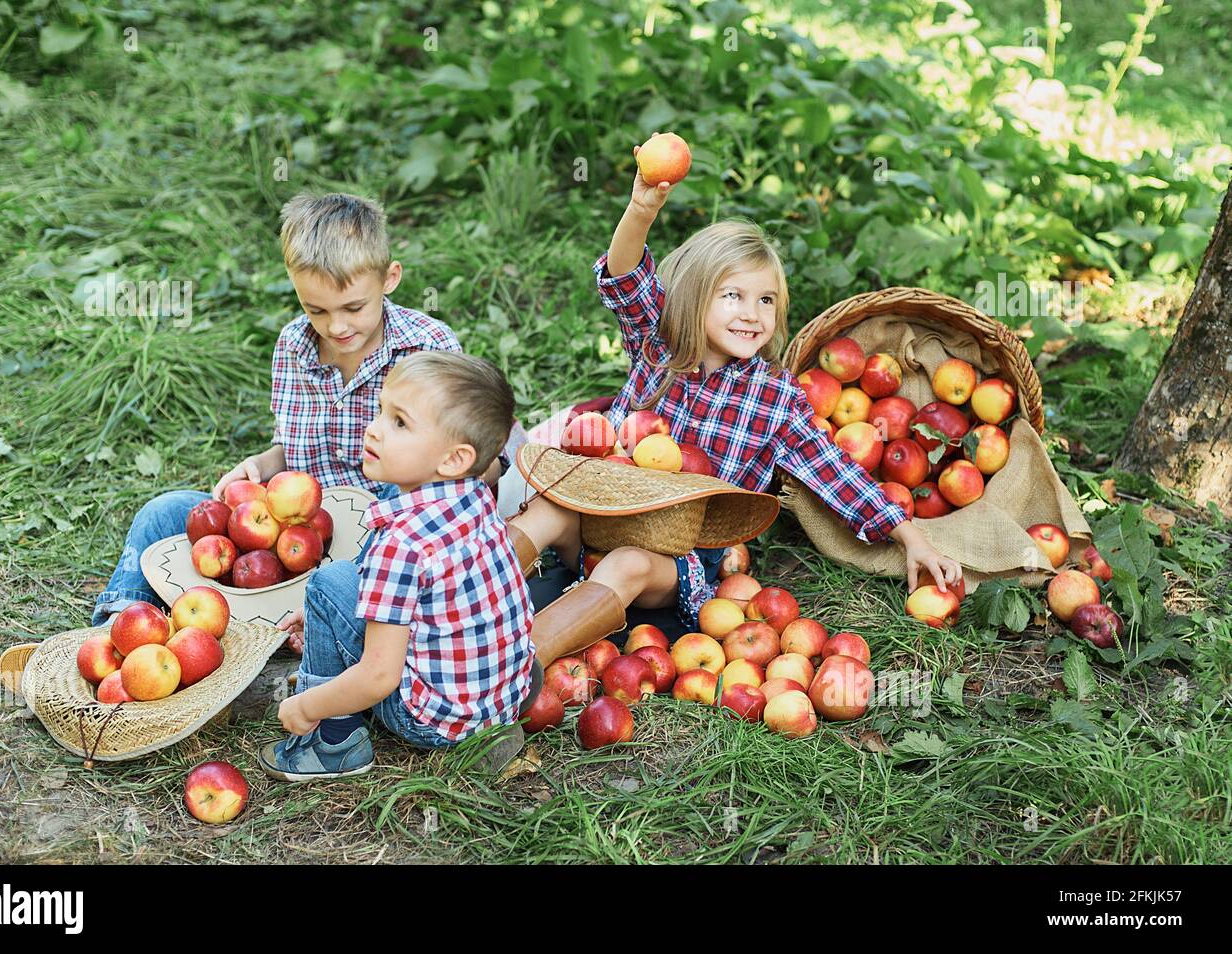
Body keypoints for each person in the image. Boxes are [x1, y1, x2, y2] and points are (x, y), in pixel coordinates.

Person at [506, 138, 963, 665]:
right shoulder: (660, 346)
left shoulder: (775, 398)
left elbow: (833, 471)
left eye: (766, 300)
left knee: (628, 564)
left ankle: (518, 665)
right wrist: (640, 210)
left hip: (671, 557)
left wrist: (909, 536)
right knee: (546, 509)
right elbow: (626, 276)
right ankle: (463, 594)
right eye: (733, 296)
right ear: (693, 298)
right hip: (605, 513)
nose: (752, 313)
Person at [90, 193, 514, 649]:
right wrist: (259, 466)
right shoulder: (294, 345)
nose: (335, 327)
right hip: (296, 533)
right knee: (166, 513)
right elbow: (292, 449)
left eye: (353, 308)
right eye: (316, 309)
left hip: (384, 541)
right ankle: (118, 632)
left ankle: (323, 622)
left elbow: (460, 469)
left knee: (400, 494)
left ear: (389, 278)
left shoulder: (427, 347)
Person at [260, 352, 535, 780]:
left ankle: (333, 742)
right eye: (381, 411)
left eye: (399, 422)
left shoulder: (403, 544)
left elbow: (378, 677)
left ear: (453, 459)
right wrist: (328, 616)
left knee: (328, 581)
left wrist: (305, 706)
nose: (374, 428)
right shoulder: (473, 497)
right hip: (498, 698)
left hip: (429, 720)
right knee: (337, 591)